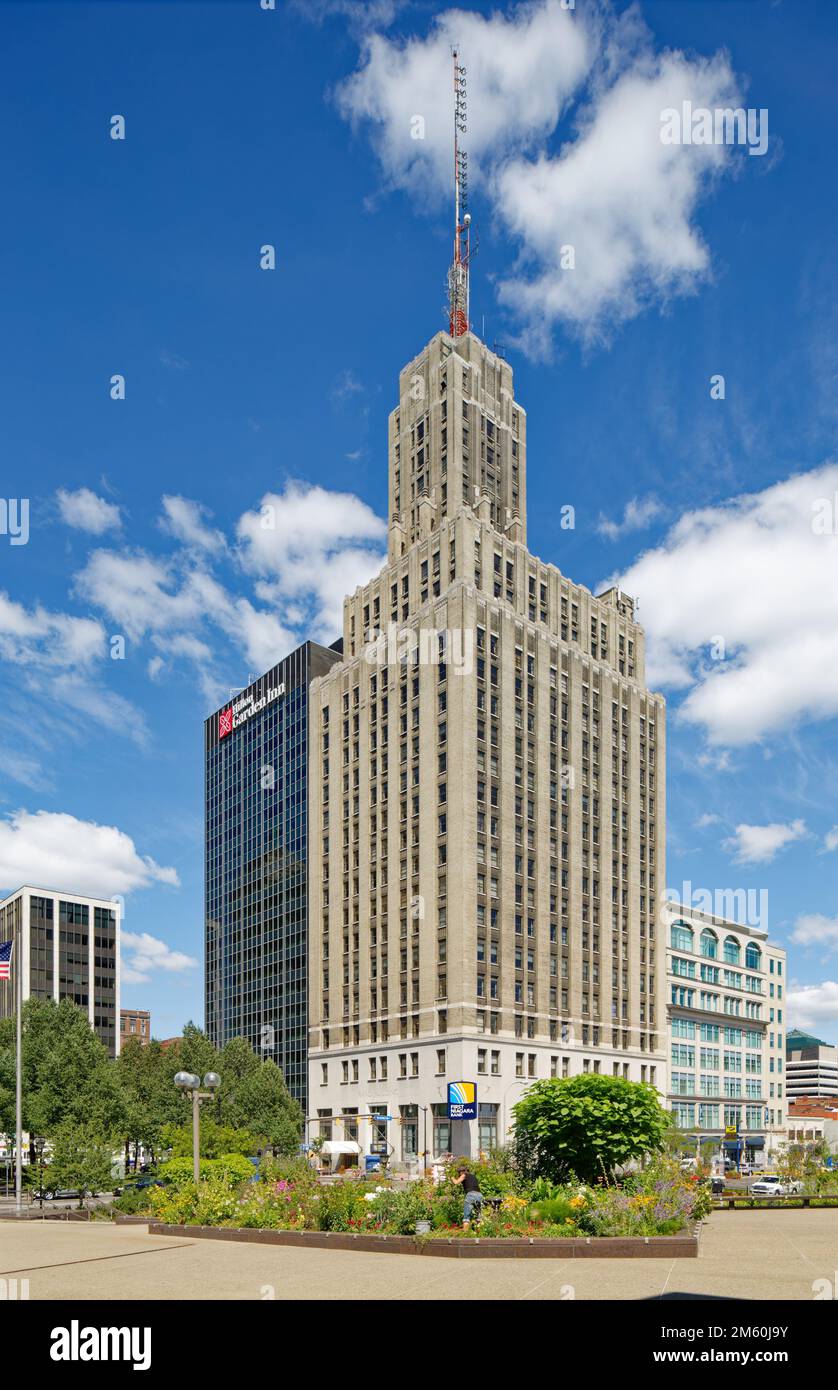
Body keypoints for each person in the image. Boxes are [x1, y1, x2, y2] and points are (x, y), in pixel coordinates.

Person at [451, 1161, 483, 1227]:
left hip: (471, 1195)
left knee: (466, 1217)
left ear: (461, 1172)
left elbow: (456, 1182)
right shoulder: (473, 1176)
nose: (459, 1174)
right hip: (479, 1195)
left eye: (459, 1172)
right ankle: (480, 1232)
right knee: (478, 1216)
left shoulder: (464, 1175)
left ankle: (465, 1235)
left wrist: (452, 1178)